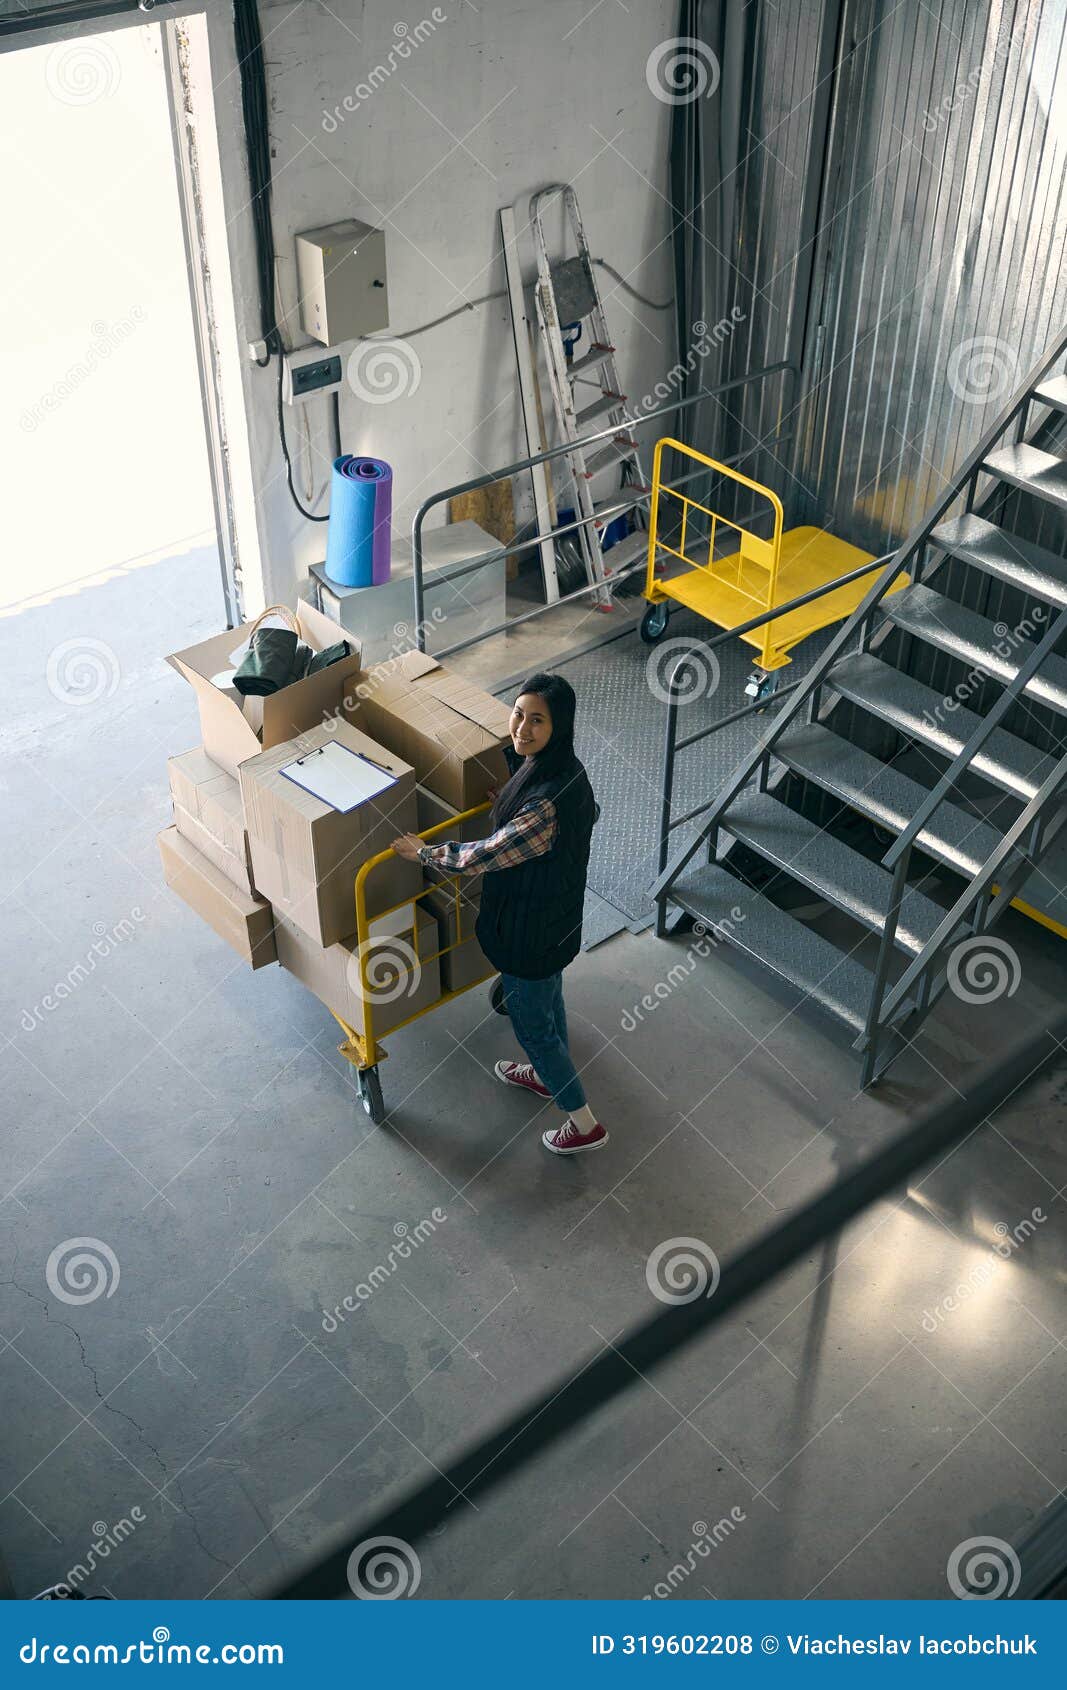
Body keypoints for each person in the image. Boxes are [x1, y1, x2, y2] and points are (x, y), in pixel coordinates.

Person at [392, 671, 606, 1155]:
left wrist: (423, 852)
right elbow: (582, 817)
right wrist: (513, 808)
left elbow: (479, 858)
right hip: (554, 923)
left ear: (560, 726)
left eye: (537, 721)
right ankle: (548, 1076)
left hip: (529, 931)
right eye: (518, 713)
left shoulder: (544, 804)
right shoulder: (563, 771)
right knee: (547, 1001)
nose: (522, 728)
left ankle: (584, 1123)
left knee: (533, 1025)